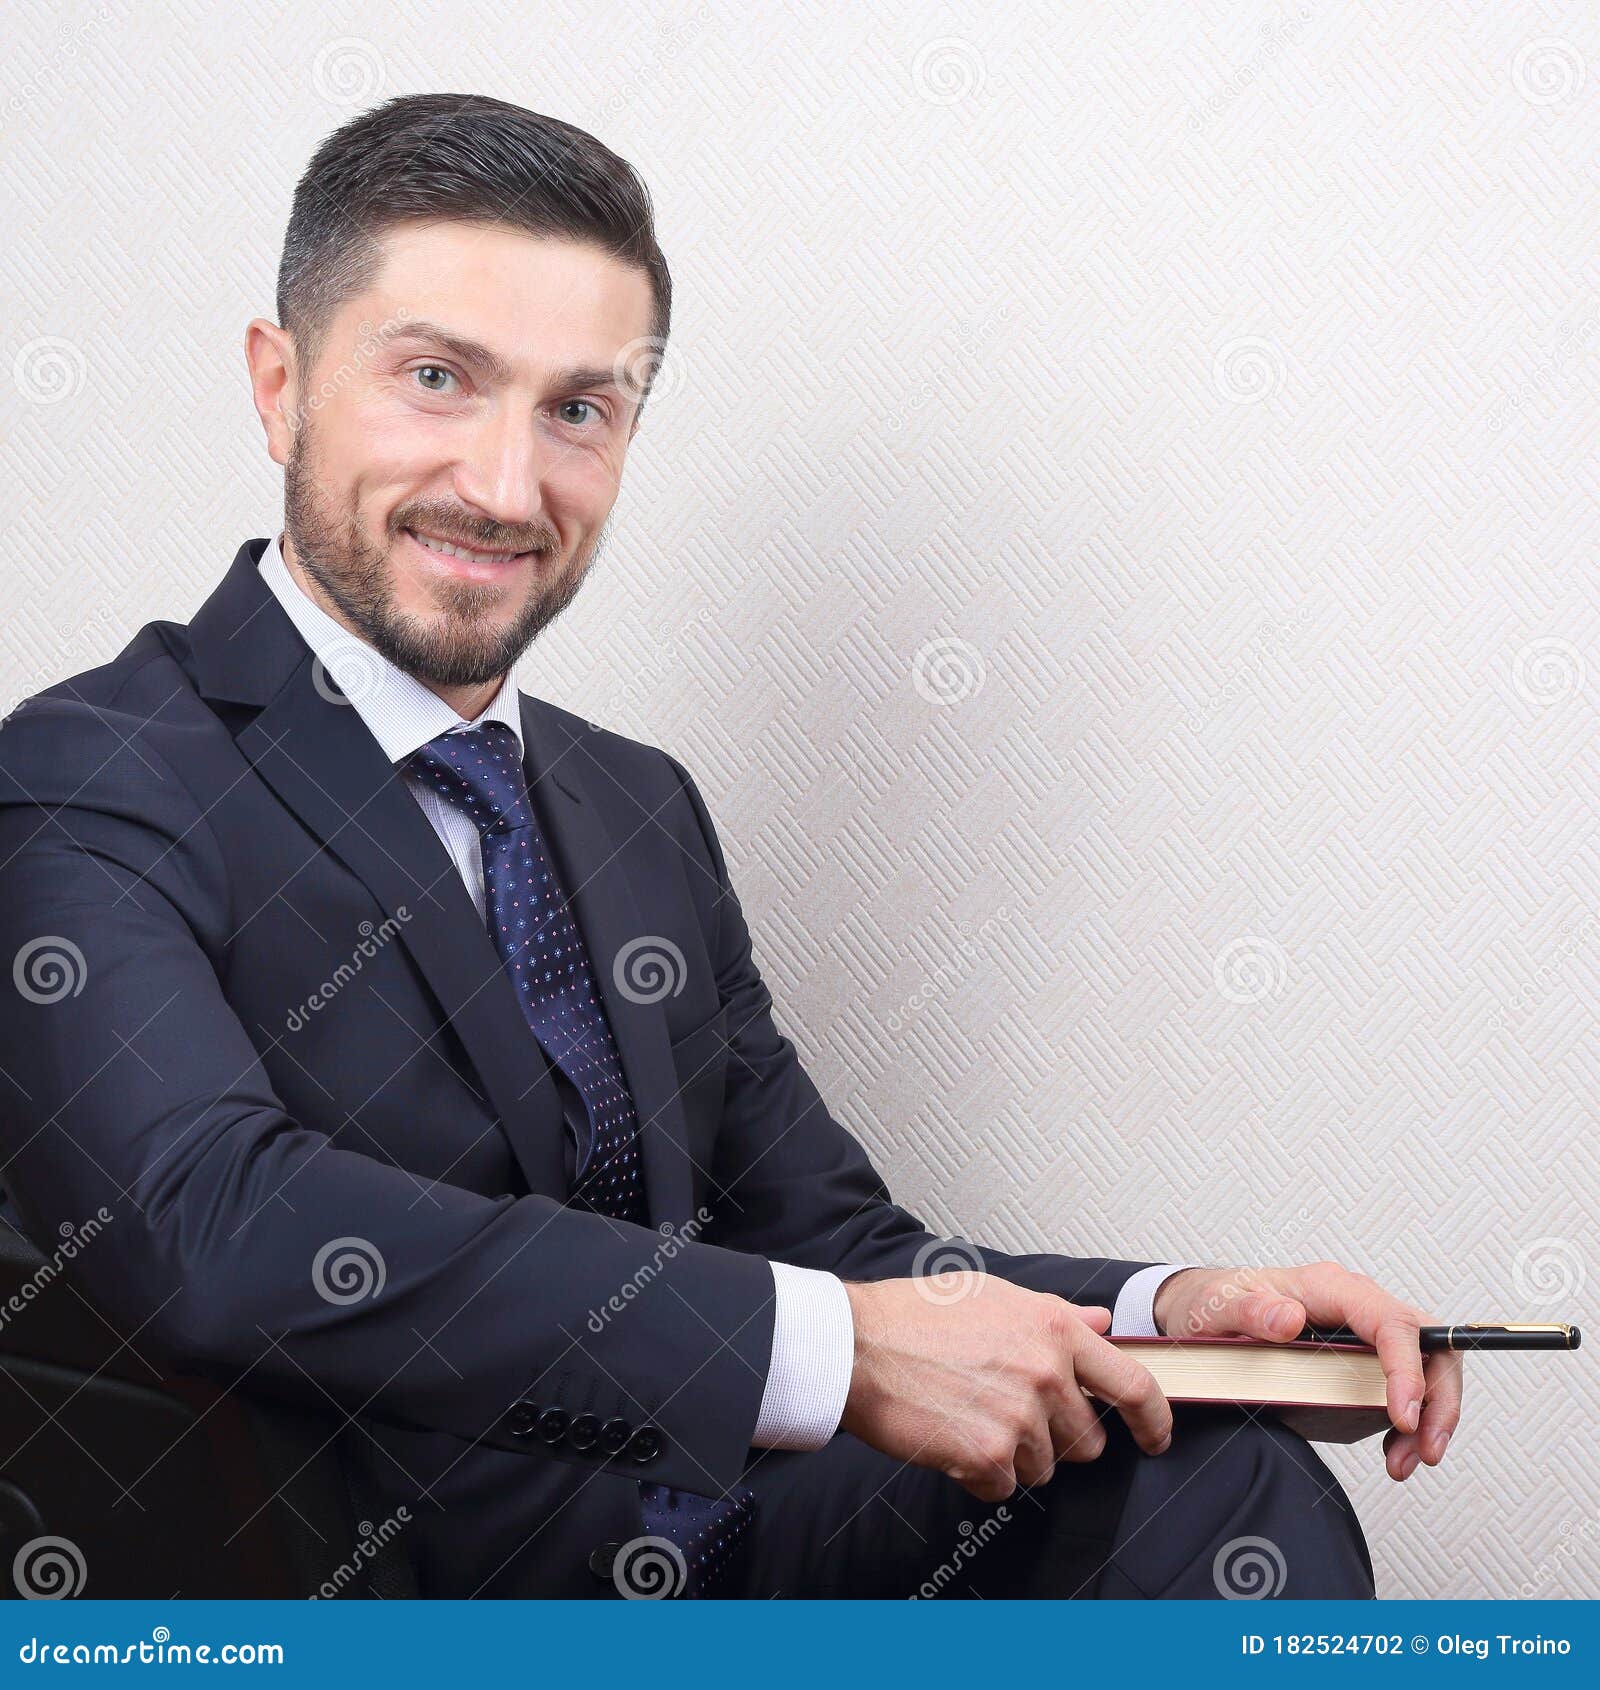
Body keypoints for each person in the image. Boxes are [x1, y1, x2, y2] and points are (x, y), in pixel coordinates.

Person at [0, 92, 1457, 1599]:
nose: (507, 488)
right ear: (279, 384)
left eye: (578, 409)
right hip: (394, 1592)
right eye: (437, 378)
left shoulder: (636, 803)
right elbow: (209, 1222)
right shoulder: (90, 772)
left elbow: (826, 1233)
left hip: (728, 1544)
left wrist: (1169, 1314)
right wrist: (822, 1347)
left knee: (1210, 1473)